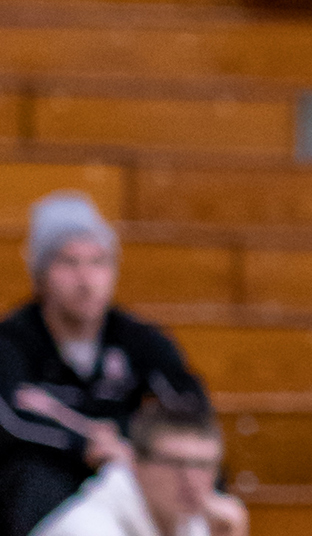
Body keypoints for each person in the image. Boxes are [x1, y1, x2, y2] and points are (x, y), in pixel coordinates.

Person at [1, 194, 207, 536]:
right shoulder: (12, 341)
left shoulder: (138, 339)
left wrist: (128, 440)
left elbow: (189, 410)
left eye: (98, 262)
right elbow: (8, 422)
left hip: (123, 472)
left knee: (180, 480)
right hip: (42, 485)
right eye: (68, 263)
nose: (86, 279)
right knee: (31, 477)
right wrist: (84, 445)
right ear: (40, 275)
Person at [30, 402, 246, 536]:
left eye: (203, 465)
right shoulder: (87, 528)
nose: (191, 479)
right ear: (134, 464)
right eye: (175, 463)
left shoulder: (195, 522)